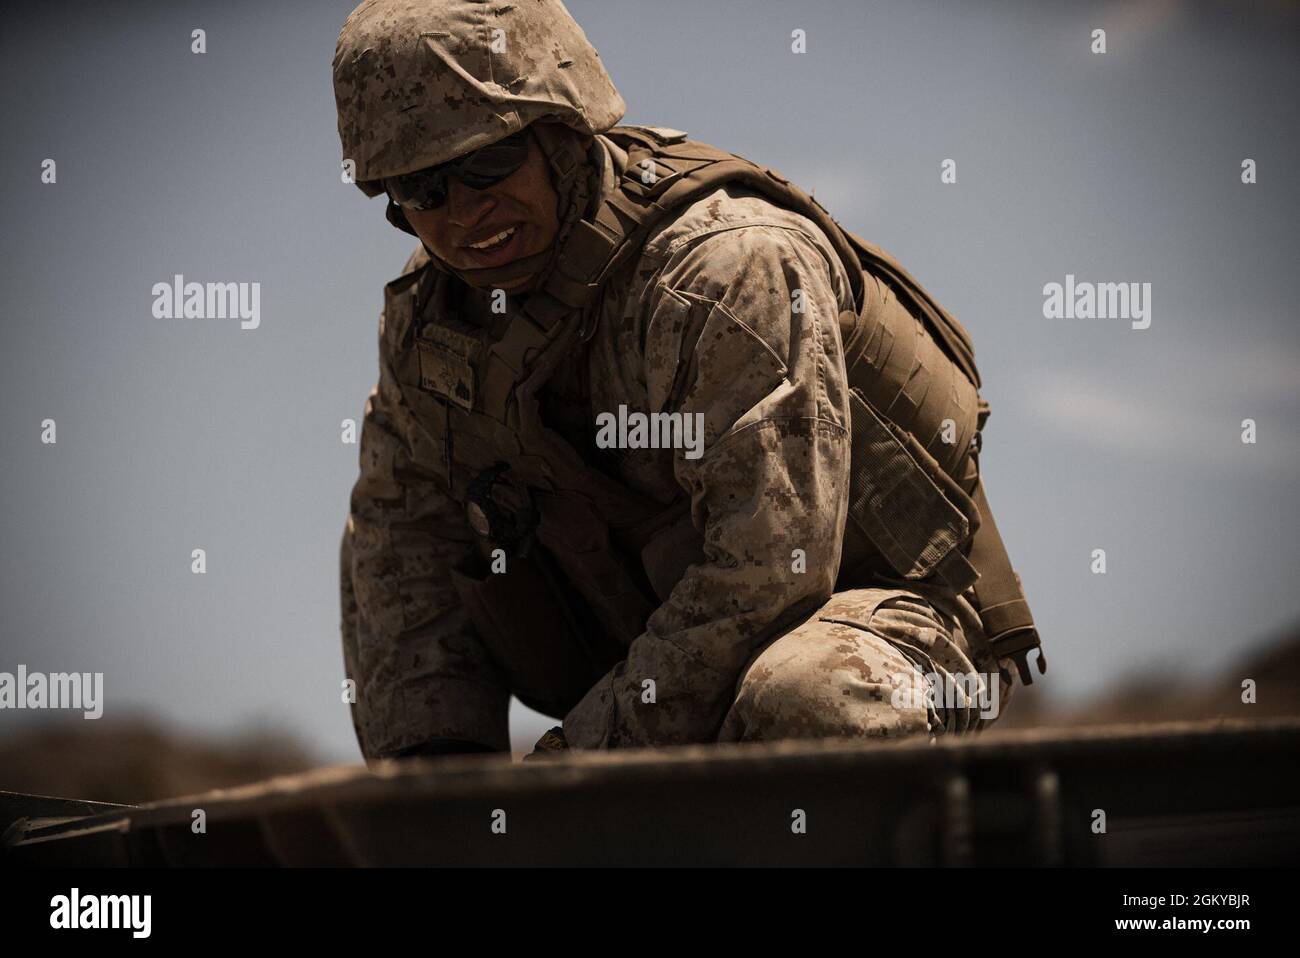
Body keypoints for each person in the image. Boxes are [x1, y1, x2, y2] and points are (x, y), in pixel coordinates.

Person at [333, 0, 1044, 760]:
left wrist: (570, 770)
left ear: (564, 137)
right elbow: (403, 556)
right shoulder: (433, 326)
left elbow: (770, 576)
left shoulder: (725, 270)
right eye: (423, 191)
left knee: (809, 699)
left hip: (882, 622)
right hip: (644, 643)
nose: (464, 215)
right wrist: (436, 793)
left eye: (486, 166)